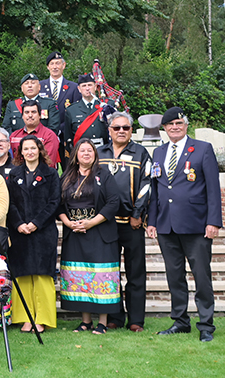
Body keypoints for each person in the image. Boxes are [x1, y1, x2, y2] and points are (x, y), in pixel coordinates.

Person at [147, 106, 222, 342]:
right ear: (164, 128)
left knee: (201, 276)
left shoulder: (202, 149)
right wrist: (152, 221)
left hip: (196, 225)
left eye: (179, 124)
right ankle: (180, 321)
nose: (174, 127)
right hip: (166, 225)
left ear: (186, 125)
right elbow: (156, 189)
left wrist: (214, 221)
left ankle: (206, 325)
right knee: (174, 277)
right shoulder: (159, 152)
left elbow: (213, 188)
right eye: (170, 125)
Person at [58, 139, 121, 334]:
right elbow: (58, 204)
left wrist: (91, 222)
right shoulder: (67, 177)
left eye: (90, 151)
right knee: (81, 277)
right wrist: (68, 223)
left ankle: (102, 321)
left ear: (95, 155)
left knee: (101, 278)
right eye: (82, 151)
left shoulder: (104, 175)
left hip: (99, 232)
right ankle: (86, 321)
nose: (86, 153)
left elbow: (113, 202)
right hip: (74, 233)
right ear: (76, 155)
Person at [98, 111, 151, 332]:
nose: (121, 131)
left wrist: (137, 214)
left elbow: (147, 185)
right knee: (110, 272)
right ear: (109, 130)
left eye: (125, 128)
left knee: (135, 272)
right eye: (116, 128)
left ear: (131, 130)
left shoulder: (141, 153)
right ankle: (115, 317)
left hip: (132, 223)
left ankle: (136, 319)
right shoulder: (99, 152)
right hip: (105, 223)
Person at [6, 134, 60, 333]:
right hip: (19, 232)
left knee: (42, 275)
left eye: (33, 148)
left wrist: (36, 223)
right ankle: (25, 318)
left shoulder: (51, 174)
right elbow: (9, 202)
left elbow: (54, 202)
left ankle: (42, 319)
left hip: (43, 232)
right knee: (22, 275)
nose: (29, 152)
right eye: (25, 148)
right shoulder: (14, 174)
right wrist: (19, 223)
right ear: (20, 152)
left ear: (40, 150)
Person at [64, 74, 110, 163]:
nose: (87, 88)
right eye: (84, 86)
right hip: (82, 154)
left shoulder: (106, 106)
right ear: (79, 89)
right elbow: (68, 137)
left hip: (104, 151)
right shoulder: (71, 110)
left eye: (90, 85)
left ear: (95, 87)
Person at [3, 73, 61, 138]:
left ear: (39, 87)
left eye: (33, 83)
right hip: (17, 143)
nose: (30, 86)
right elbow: (6, 128)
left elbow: (53, 128)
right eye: (26, 83)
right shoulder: (12, 105)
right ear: (22, 88)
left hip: (42, 143)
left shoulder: (49, 104)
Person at [38, 52, 78, 141]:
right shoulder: (39, 86)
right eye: (52, 64)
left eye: (58, 63)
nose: (55, 67)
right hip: (43, 134)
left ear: (63, 65)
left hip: (66, 134)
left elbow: (76, 112)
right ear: (48, 67)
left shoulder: (73, 87)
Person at [9, 99, 62, 167]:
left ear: (40, 115)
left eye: (33, 112)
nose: (30, 115)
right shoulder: (14, 136)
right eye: (27, 112)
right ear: (22, 116)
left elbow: (49, 163)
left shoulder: (49, 136)